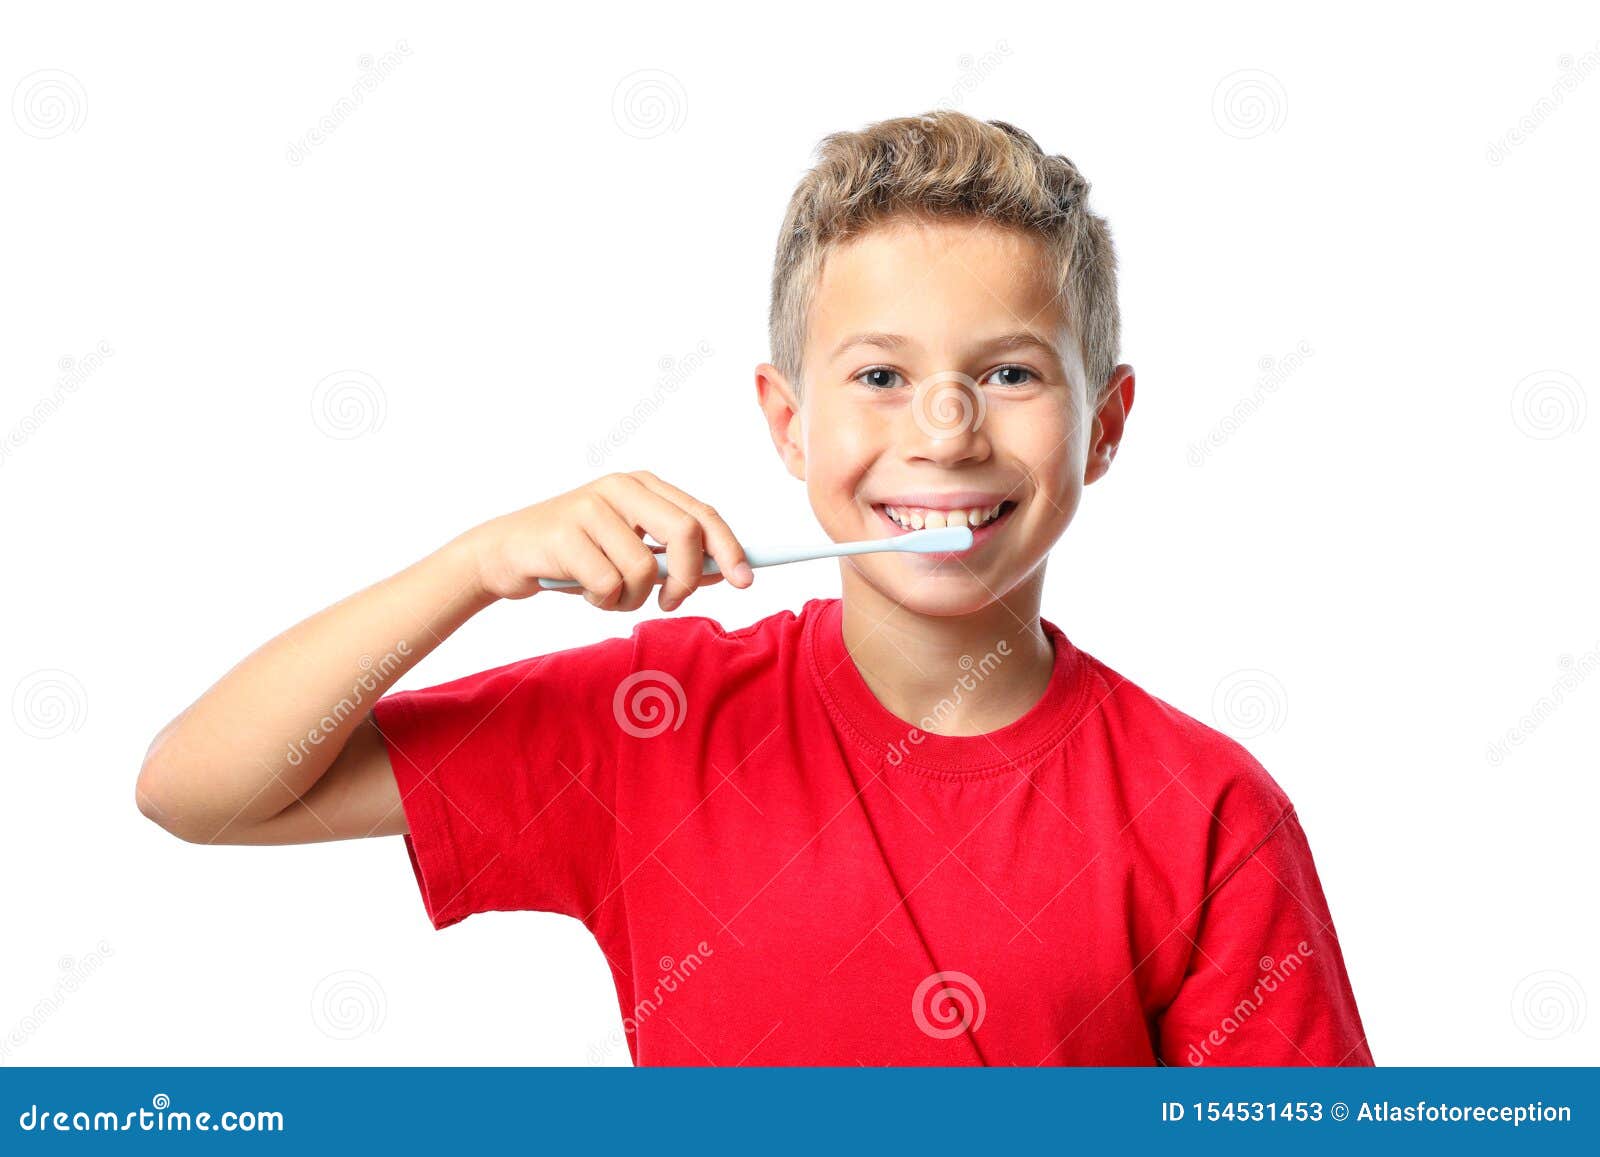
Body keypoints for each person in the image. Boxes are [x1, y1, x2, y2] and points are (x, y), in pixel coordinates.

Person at [137, 110, 1372, 1067]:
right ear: (787, 421)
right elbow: (200, 789)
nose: (943, 428)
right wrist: (471, 570)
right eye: (880, 375)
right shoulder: (650, 726)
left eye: (1006, 372)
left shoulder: (1207, 810)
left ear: (1104, 427)